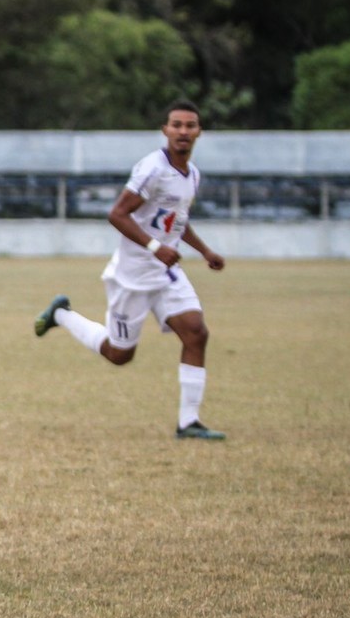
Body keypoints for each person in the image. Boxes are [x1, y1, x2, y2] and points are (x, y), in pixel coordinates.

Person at [35, 99, 227, 440]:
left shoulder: (192, 174)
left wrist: (205, 251)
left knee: (196, 332)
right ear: (165, 130)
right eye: (177, 125)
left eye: (190, 125)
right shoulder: (152, 169)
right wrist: (155, 247)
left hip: (166, 273)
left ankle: (188, 423)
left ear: (199, 132)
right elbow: (117, 214)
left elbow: (176, 222)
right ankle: (61, 315)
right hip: (133, 275)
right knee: (119, 355)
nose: (183, 131)